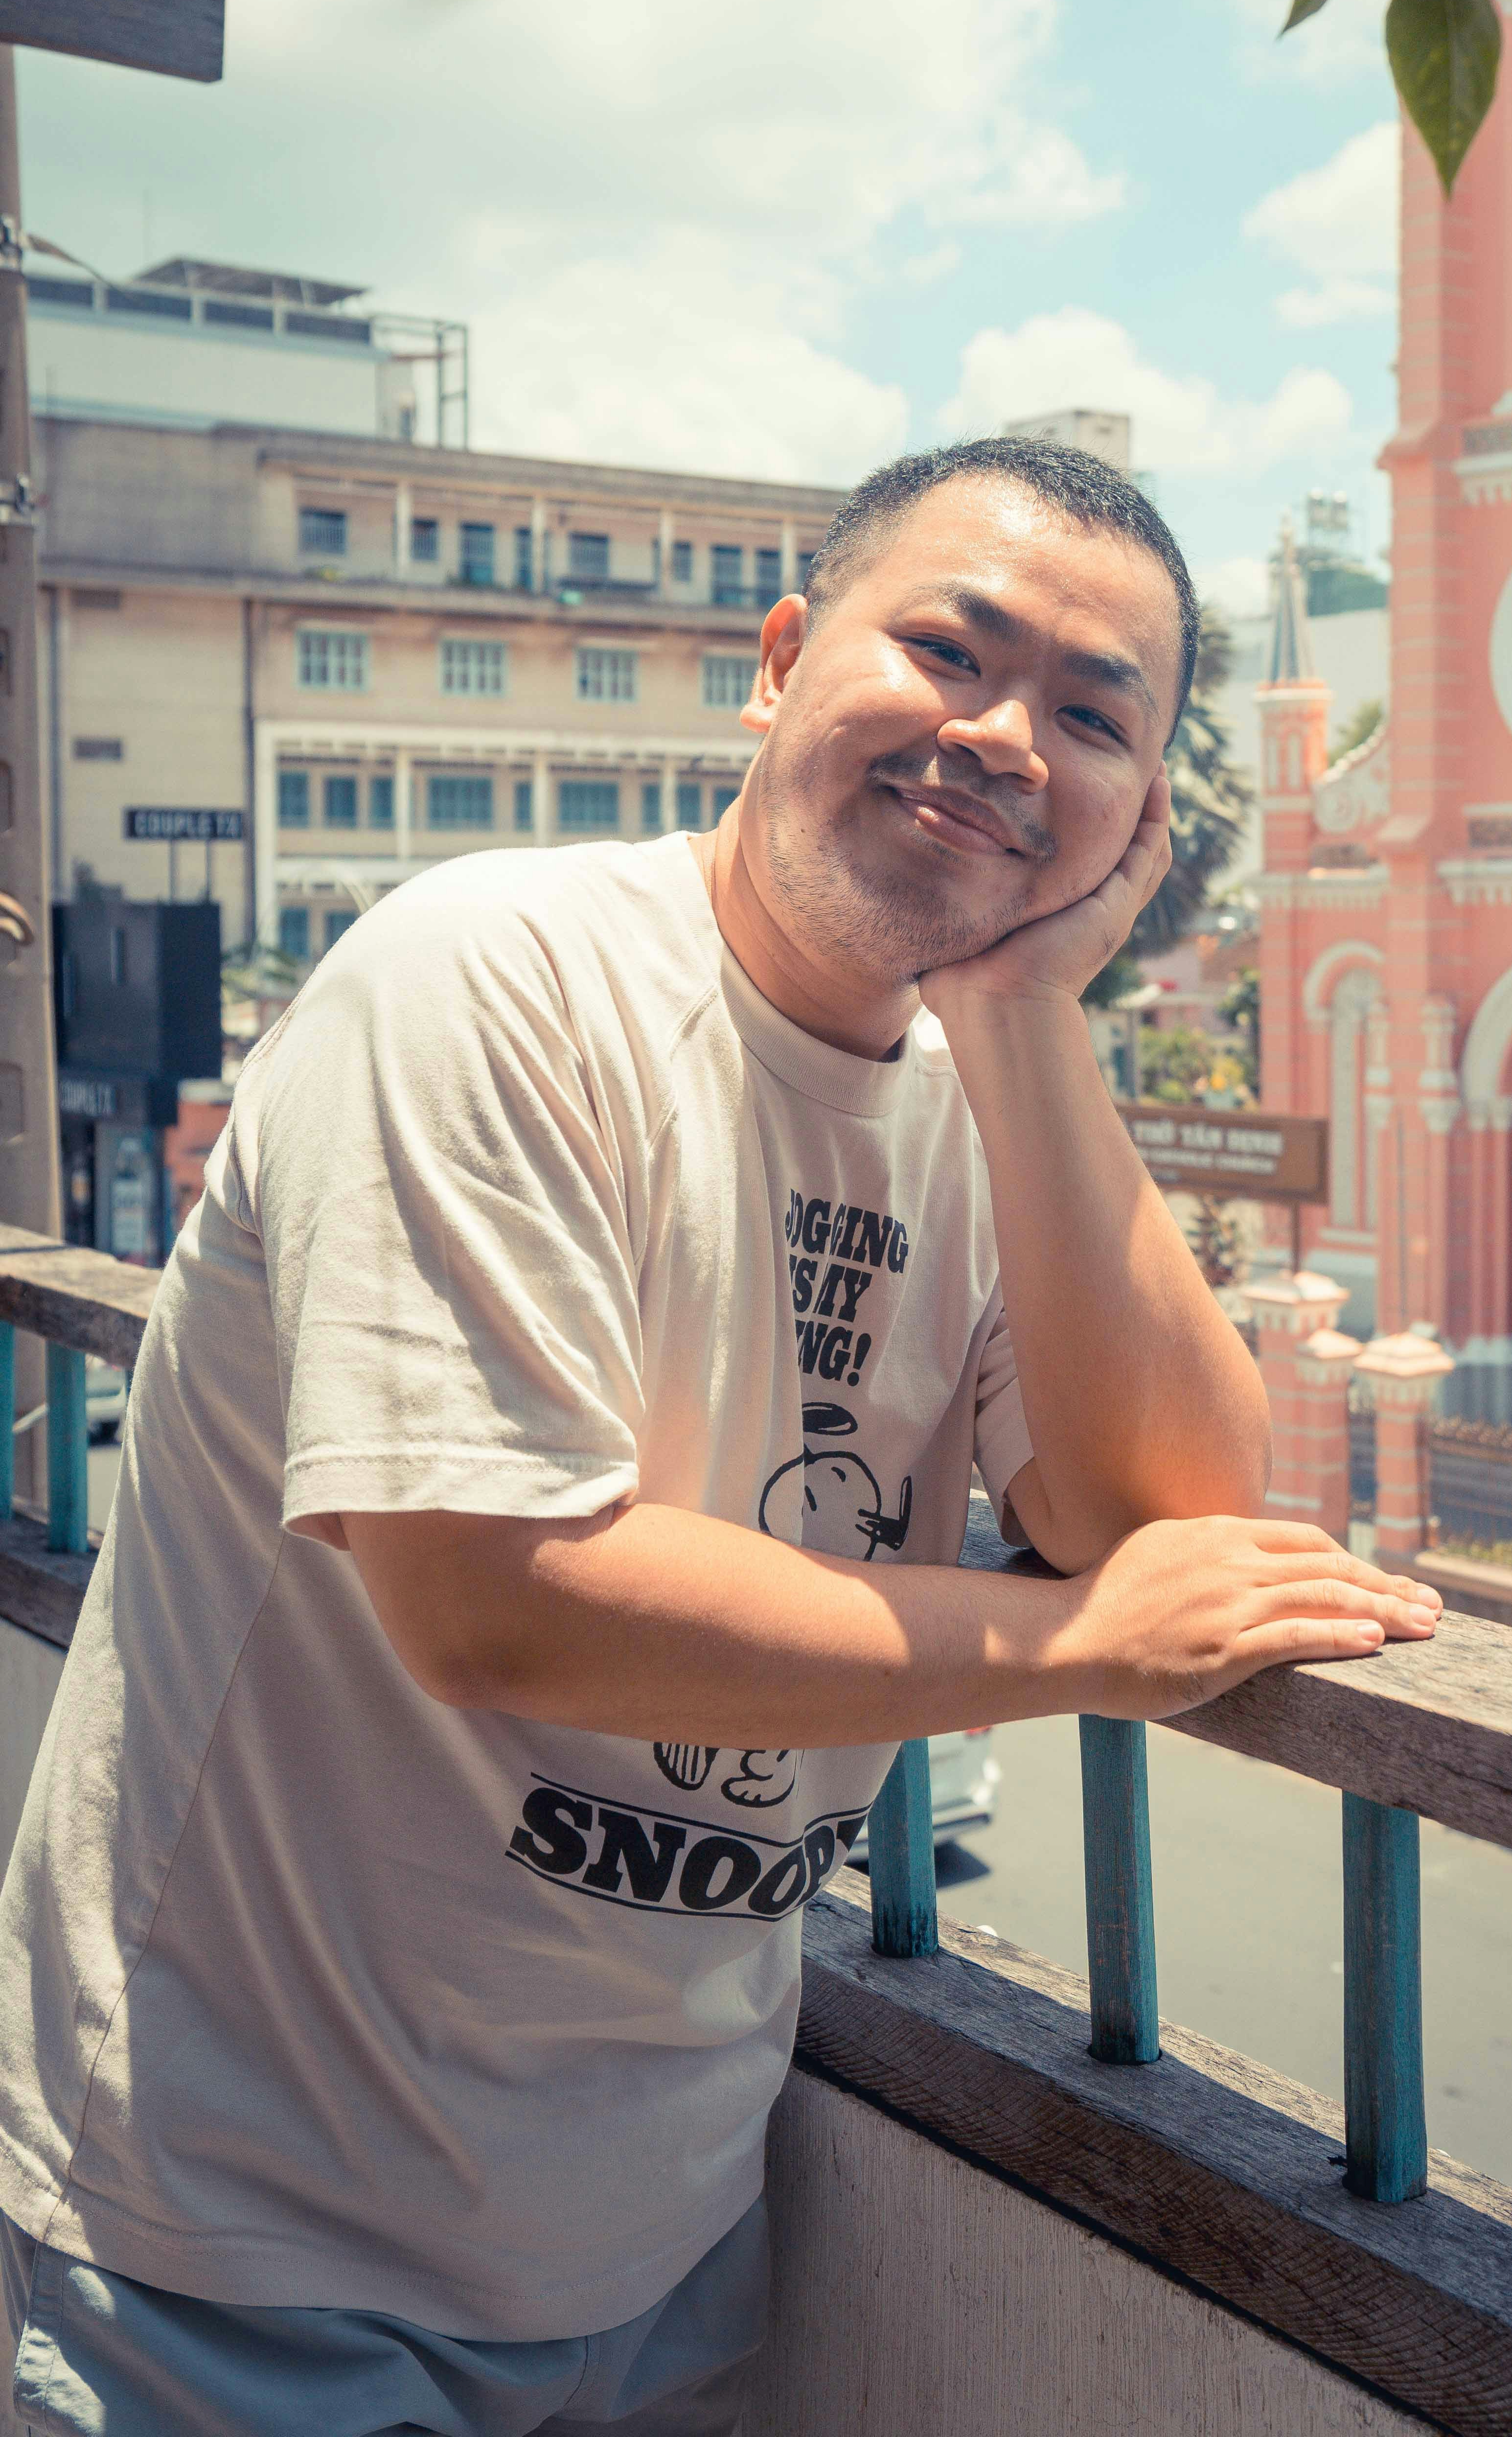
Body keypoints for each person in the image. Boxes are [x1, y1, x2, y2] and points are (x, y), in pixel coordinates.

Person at [0, 437, 1439, 2434]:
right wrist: (1068, 1651)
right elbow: (500, 1598)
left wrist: (1026, 1013)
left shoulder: (979, 1095)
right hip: (243, 2253)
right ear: (779, 665)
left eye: (1095, 718)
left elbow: (1173, 1510)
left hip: (657, 2254)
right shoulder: (492, 979)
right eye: (949, 647)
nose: (1007, 733)